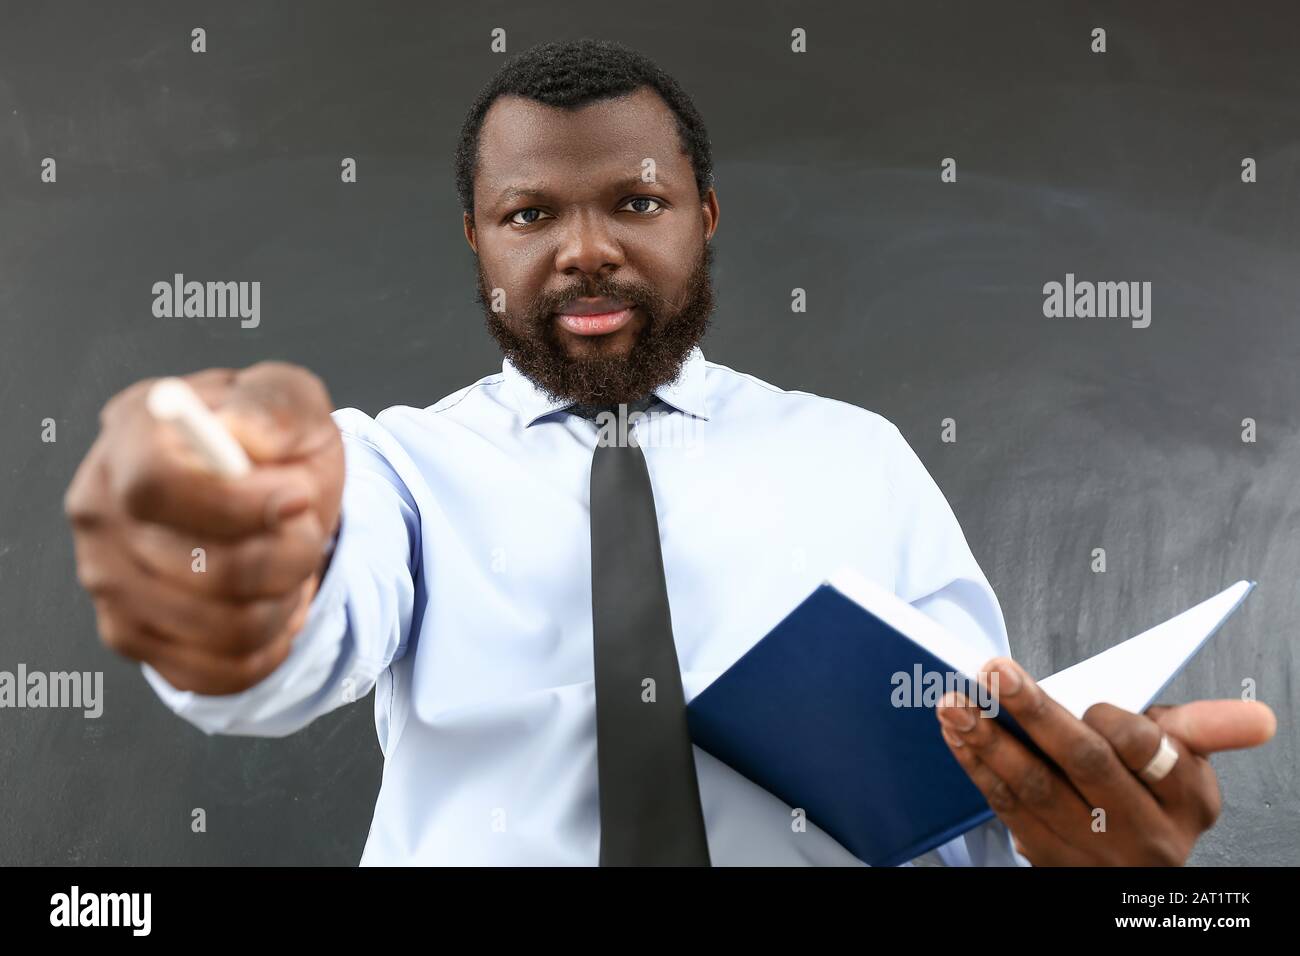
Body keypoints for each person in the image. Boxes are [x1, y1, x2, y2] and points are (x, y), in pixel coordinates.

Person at [64, 38, 1275, 866]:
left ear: (702, 214)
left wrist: (1101, 856)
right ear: (478, 242)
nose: (584, 250)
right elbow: (300, 627)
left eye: (633, 203)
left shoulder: (860, 460)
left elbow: (962, 791)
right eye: (530, 214)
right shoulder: (391, 469)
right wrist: (228, 602)